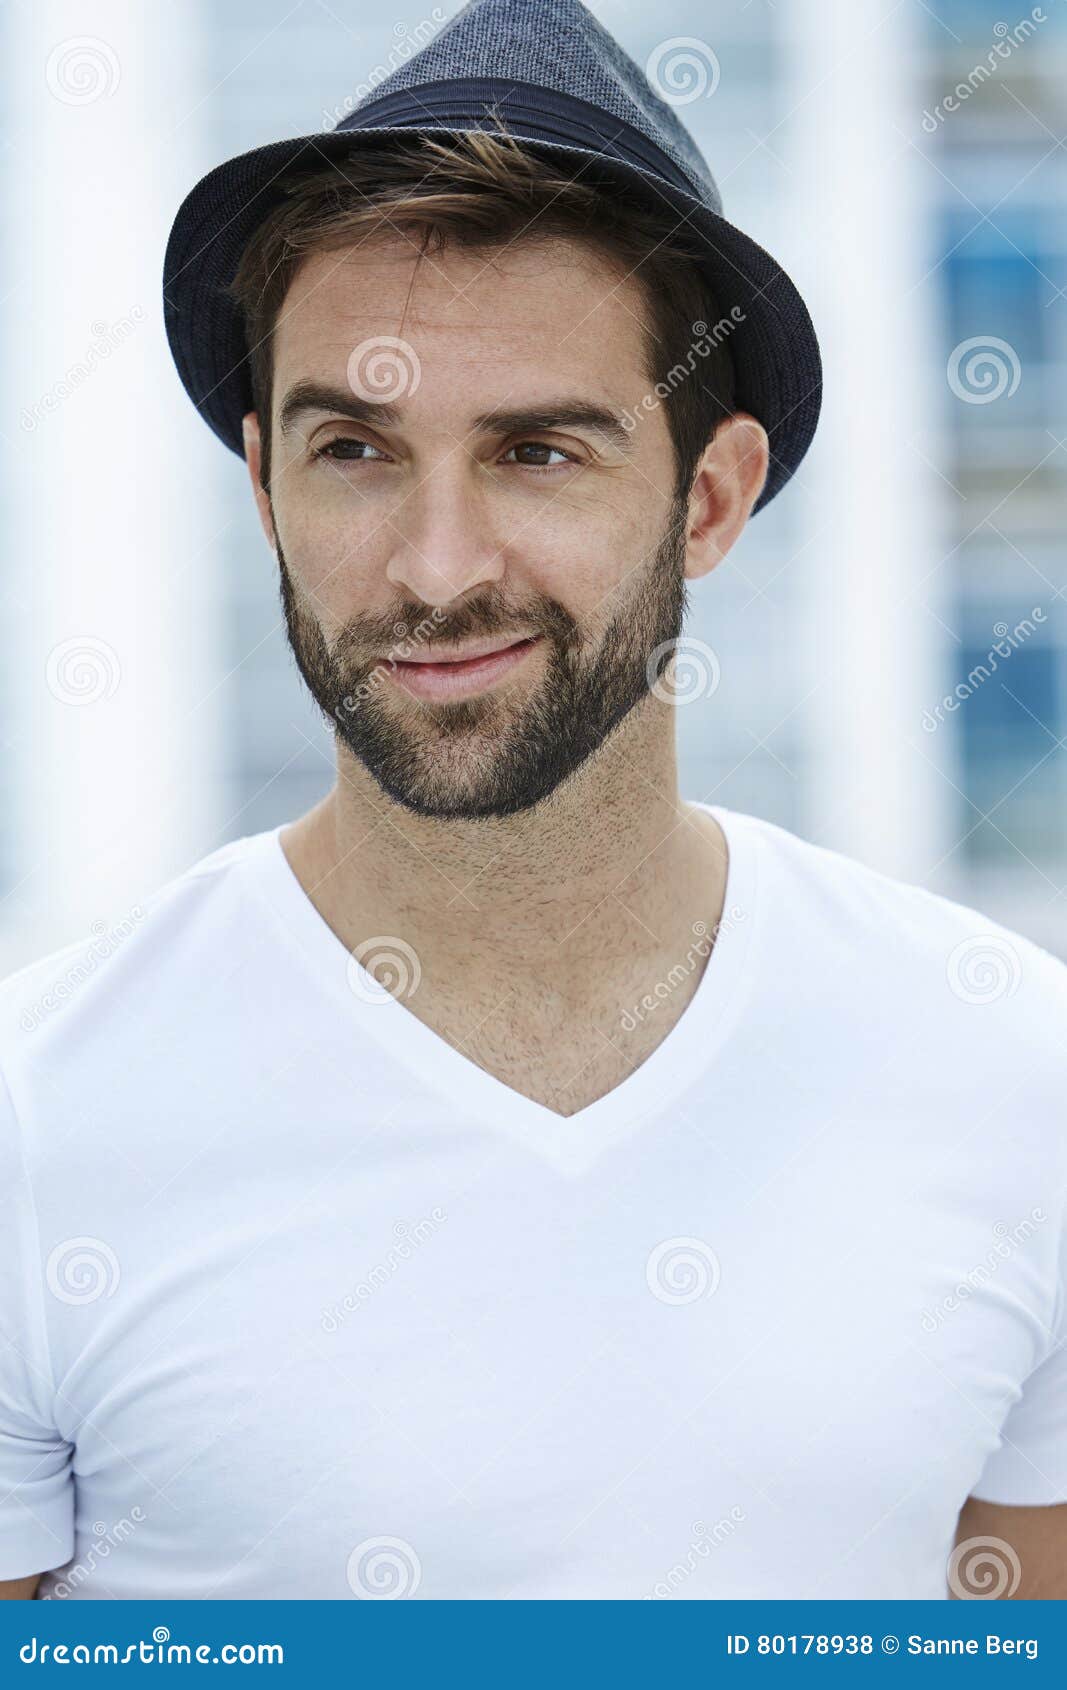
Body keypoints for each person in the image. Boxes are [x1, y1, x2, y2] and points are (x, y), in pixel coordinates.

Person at [0, 0, 1063, 1602]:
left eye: (538, 453)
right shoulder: (35, 1123)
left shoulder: (1015, 1074)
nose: (435, 568)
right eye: (354, 447)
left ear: (709, 499)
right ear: (264, 489)